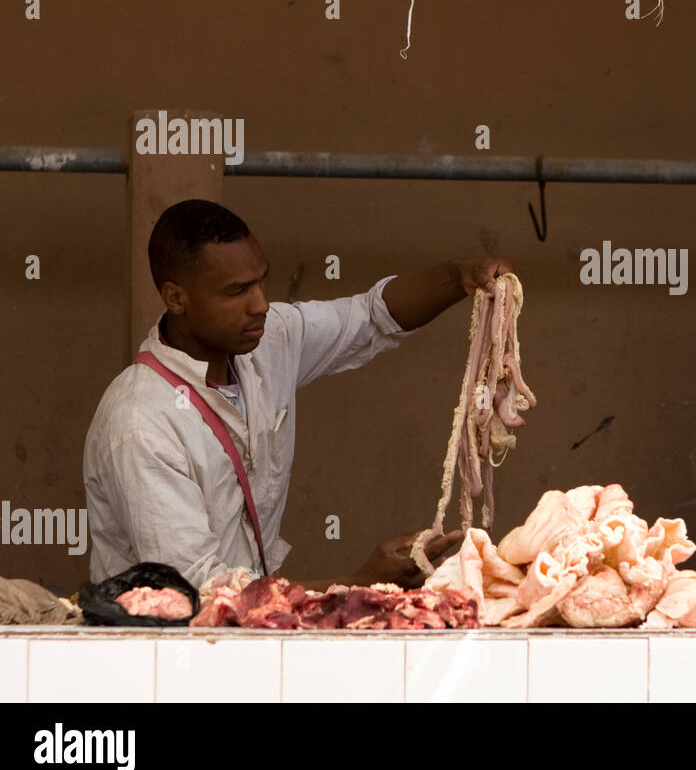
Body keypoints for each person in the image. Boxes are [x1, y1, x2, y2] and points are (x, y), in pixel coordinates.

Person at [84, 199, 513, 591]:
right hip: (159, 654)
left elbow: (371, 317)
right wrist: (359, 582)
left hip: (246, 635)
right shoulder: (140, 422)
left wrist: (460, 276)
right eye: (237, 291)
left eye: (261, 282)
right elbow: (195, 593)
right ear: (176, 298)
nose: (261, 304)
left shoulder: (270, 340)